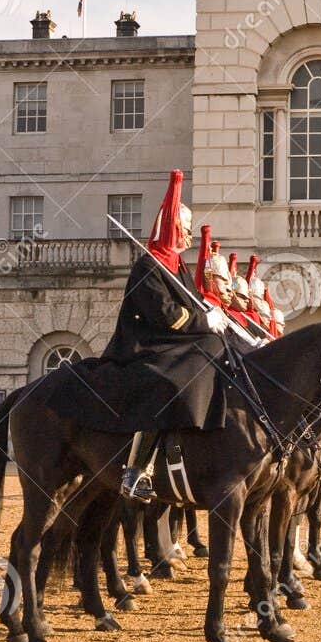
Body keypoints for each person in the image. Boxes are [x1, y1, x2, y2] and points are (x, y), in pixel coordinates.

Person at [99, 174, 230, 501]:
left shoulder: (176, 265)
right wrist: (204, 320)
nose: (188, 232)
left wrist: (212, 314)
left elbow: (191, 304)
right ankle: (135, 470)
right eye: (184, 226)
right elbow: (168, 315)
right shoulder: (149, 266)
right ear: (172, 226)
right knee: (165, 384)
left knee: (217, 348)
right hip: (143, 346)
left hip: (170, 343)